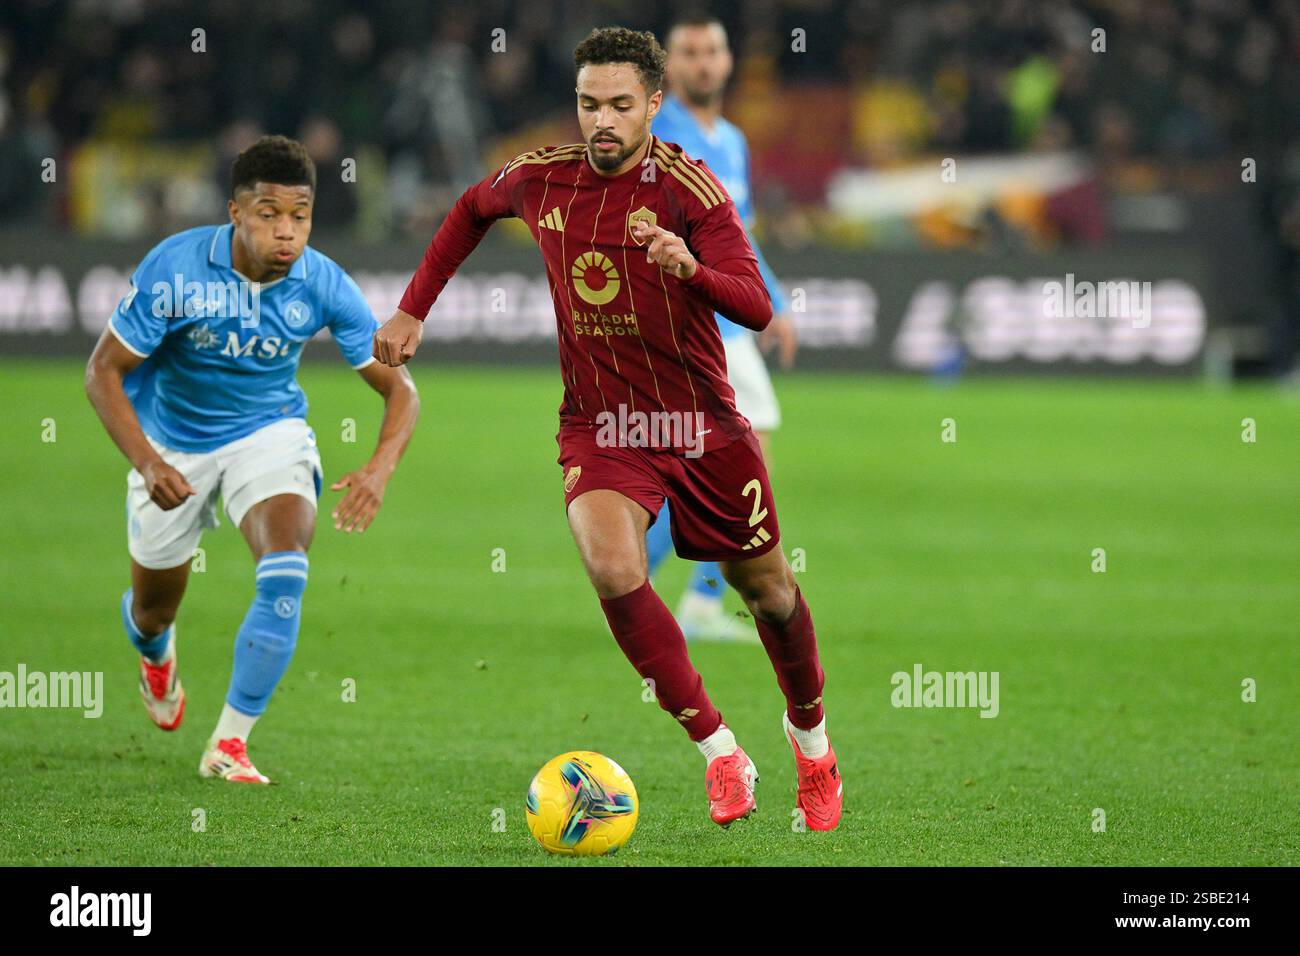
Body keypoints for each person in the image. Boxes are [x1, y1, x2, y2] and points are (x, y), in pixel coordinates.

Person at [373, 28, 841, 830]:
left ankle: (811, 742)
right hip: (603, 426)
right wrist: (415, 306)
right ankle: (720, 750)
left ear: (654, 106)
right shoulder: (541, 178)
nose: (603, 121)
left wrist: (690, 267)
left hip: (701, 427)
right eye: (590, 103)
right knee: (615, 571)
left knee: (766, 592)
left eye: (621, 105)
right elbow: (470, 209)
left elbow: (757, 305)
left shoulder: (691, 190)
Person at [85, 135, 419, 784]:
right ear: (235, 213)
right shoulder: (175, 267)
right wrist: (149, 463)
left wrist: (379, 469)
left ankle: (229, 743)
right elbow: (103, 373)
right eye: (269, 214)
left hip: (268, 434)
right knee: (153, 609)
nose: (286, 232)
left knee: (287, 566)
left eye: (299, 216)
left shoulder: (322, 282)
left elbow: (399, 390)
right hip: (171, 444)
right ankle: (155, 653)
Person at [648, 13, 798, 642]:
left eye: (712, 50)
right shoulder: (659, 139)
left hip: (729, 323)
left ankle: (659, 586)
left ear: (728, 59)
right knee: (740, 458)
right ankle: (673, 592)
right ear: (670, 64)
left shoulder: (731, 139)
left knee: (714, 462)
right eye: (690, 52)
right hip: (693, 322)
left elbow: (740, 233)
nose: (703, 62)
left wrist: (776, 302)